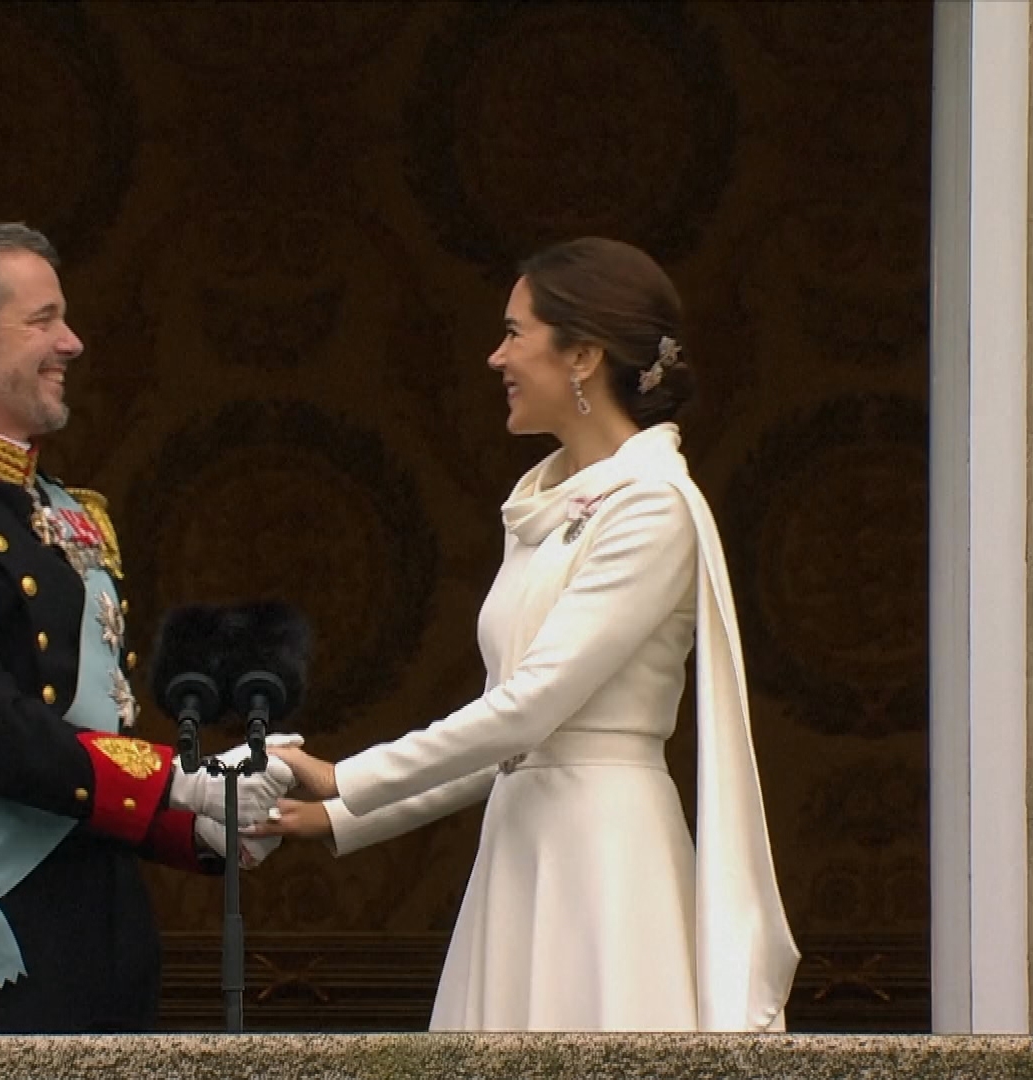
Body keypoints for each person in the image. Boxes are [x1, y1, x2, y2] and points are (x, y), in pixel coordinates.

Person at [249, 238, 799, 1032]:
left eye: (514, 332)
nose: (494, 356)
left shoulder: (650, 506)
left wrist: (343, 777)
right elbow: (508, 738)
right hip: (522, 843)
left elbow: (531, 708)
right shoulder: (547, 508)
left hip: (604, 856)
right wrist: (337, 818)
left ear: (581, 353)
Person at [0, 220, 291, 1035]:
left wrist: (209, 824)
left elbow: (83, 736)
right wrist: (176, 782)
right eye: (41, 321)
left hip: (96, 924)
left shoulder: (67, 515)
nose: (70, 342)